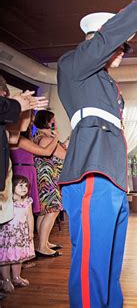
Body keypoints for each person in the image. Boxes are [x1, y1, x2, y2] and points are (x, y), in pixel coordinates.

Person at [56, 0, 137, 306]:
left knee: (110, 263)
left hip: (110, 178)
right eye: (120, 46)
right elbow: (107, 38)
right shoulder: (74, 64)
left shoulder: (105, 82)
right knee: (91, 265)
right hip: (91, 172)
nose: (123, 52)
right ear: (99, 39)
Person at [33, 110, 67, 257]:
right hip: (48, 179)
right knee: (53, 210)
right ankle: (42, 246)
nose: (56, 122)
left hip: (45, 178)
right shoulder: (46, 139)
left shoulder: (41, 136)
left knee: (45, 211)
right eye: (54, 120)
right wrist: (58, 138)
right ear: (48, 122)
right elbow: (63, 155)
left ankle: (44, 242)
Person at [0, 175, 35, 293]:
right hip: (7, 235)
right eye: (20, 185)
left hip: (20, 235)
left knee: (17, 258)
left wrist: (30, 231)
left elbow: (30, 217)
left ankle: (16, 277)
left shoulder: (27, 202)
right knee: (5, 257)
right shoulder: (7, 201)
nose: (24, 188)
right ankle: (6, 280)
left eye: (26, 185)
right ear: (12, 186)